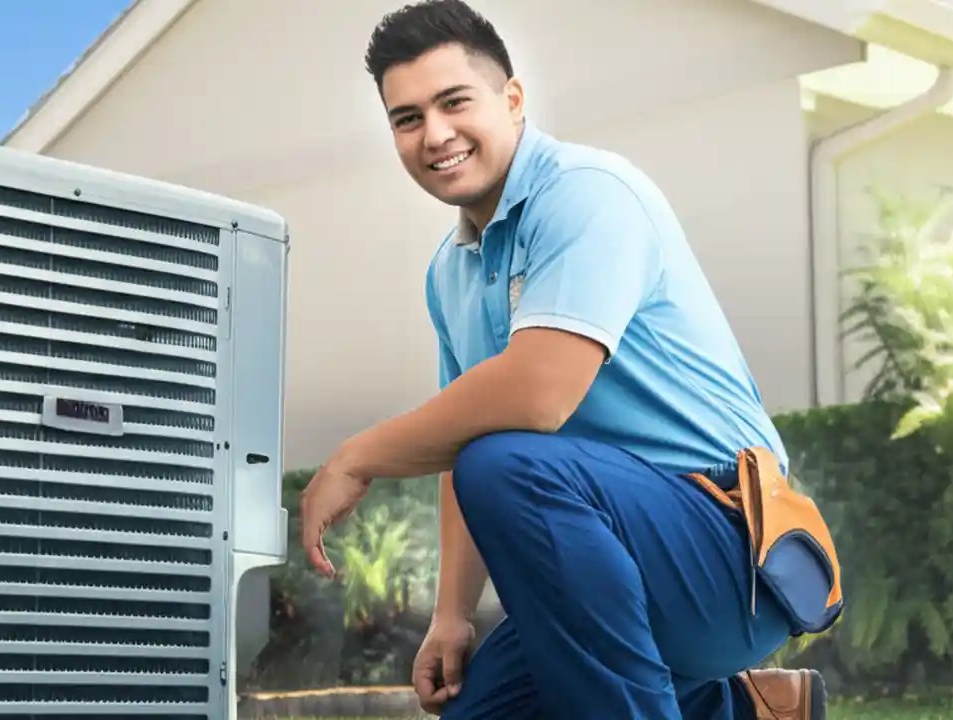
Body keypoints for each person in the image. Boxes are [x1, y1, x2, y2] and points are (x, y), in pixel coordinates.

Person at [298, 1, 841, 718]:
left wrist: (356, 458)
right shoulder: (450, 272)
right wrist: (452, 616)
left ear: (513, 100)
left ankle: (702, 695)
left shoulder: (588, 195)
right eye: (407, 119)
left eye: (454, 102)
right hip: (608, 559)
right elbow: (468, 442)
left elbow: (538, 394)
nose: (435, 134)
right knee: (479, 712)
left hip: (729, 553)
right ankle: (744, 711)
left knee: (506, 463)